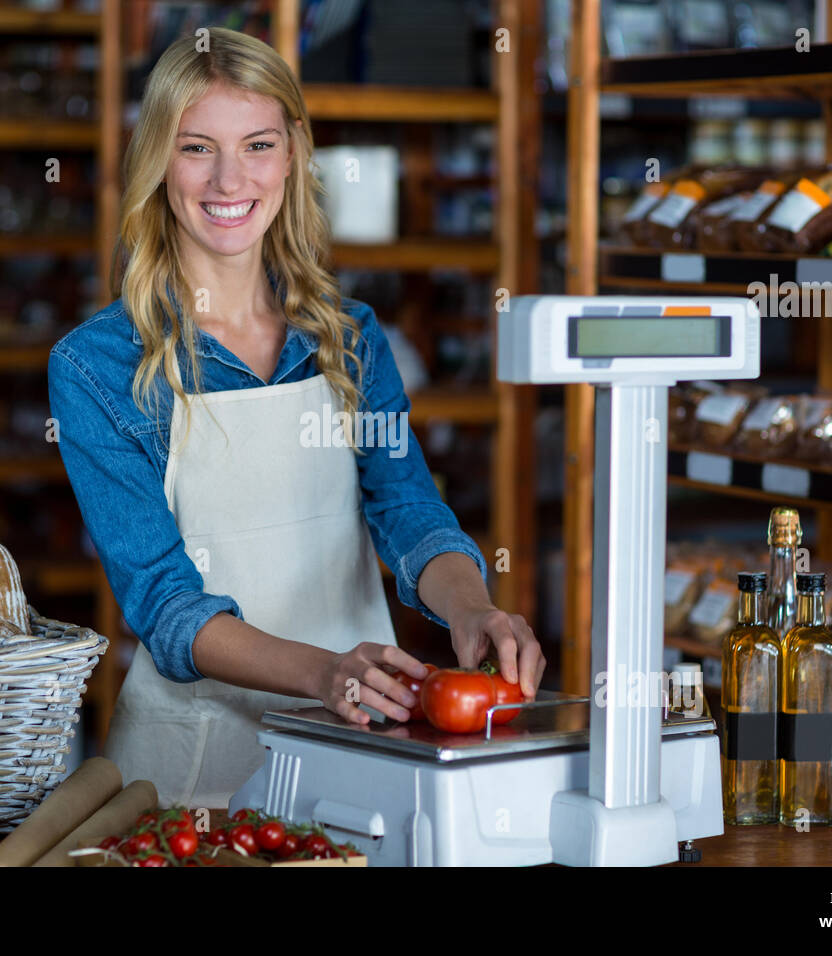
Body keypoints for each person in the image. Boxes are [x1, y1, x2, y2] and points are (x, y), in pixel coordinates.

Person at [48, 27, 545, 808]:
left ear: (292, 155)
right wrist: (322, 670)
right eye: (196, 148)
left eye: (257, 144)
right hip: (190, 771)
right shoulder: (97, 366)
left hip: (354, 751)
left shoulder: (348, 340)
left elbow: (409, 510)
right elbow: (166, 606)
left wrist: (472, 609)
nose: (228, 179)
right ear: (156, 161)